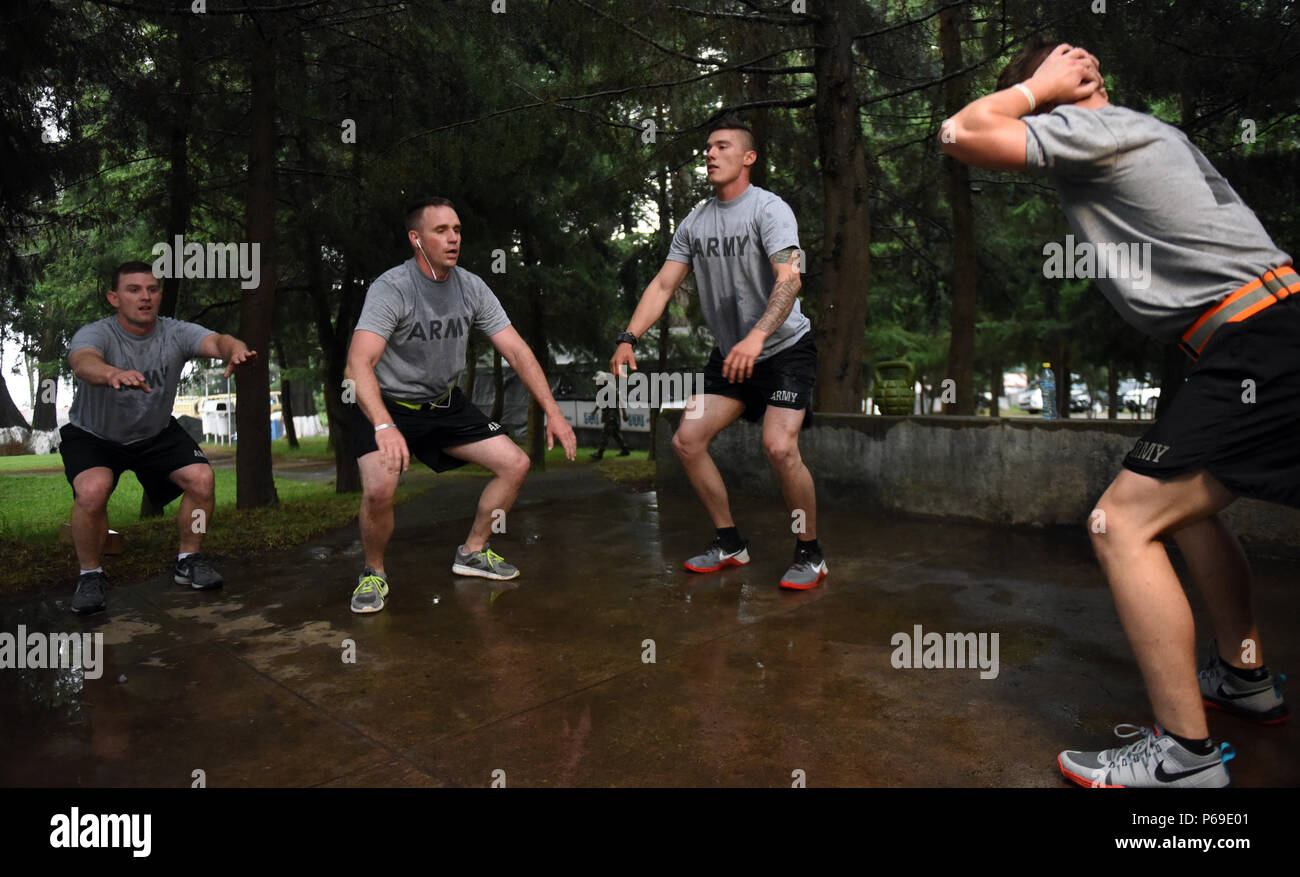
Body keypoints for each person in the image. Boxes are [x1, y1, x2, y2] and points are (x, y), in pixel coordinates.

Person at [942, 39, 1295, 787]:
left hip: (1257, 344)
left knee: (1121, 521)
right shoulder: (1144, 131)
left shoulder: (1088, 130)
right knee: (1189, 508)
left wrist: (1036, 88)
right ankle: (1244, 675)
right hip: (1267, 335)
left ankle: (1185, 758)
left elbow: (962, 132)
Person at [611, 117, 826, 590]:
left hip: (785, 350)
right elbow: (665, 284)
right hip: (732, 357)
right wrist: (628, 337)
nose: (710, 154)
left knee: (778, 446)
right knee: (687, 441)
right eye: (707, 147)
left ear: (748, 158)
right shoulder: (695, 220)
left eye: (722, 146)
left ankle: (809, 551)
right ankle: (730, 542)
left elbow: (790, 279)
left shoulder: (770, 210)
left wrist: (757, 336)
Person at [345, 196, 576, 614]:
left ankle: (472, 551)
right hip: (387, 405)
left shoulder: (471, 287)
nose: (453, 239)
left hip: (444, 405)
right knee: (380, 491)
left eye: (457, 230)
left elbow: (518, 352)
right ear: (416, 239)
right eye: (441, 231)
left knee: (515, 464)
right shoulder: (391, 288)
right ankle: (373, 572)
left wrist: (554, 412)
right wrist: (383, 425)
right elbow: (358, 364)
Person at [60, 261, 257, 614]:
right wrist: (111, 374)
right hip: (95, 435)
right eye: (134, 290)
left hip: (154, 432)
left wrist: (234, 349)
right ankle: (90, 575)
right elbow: (83, 362)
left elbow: (216, 340)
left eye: (152, 289)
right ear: (114, 297)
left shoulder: (174, 332)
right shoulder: (97, 333)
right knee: (92, 491)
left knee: (202, 480)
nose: (145, 296)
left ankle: (188, 559)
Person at [590, 371, 630, 460]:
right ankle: (625, 450)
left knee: (606, 433)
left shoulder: (610, 388)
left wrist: (624, 413)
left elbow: (620, 400)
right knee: (615, 433)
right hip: (607, 413)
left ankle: (599, 453)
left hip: (612, 414)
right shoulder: (601, 388)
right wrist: (594, 411)